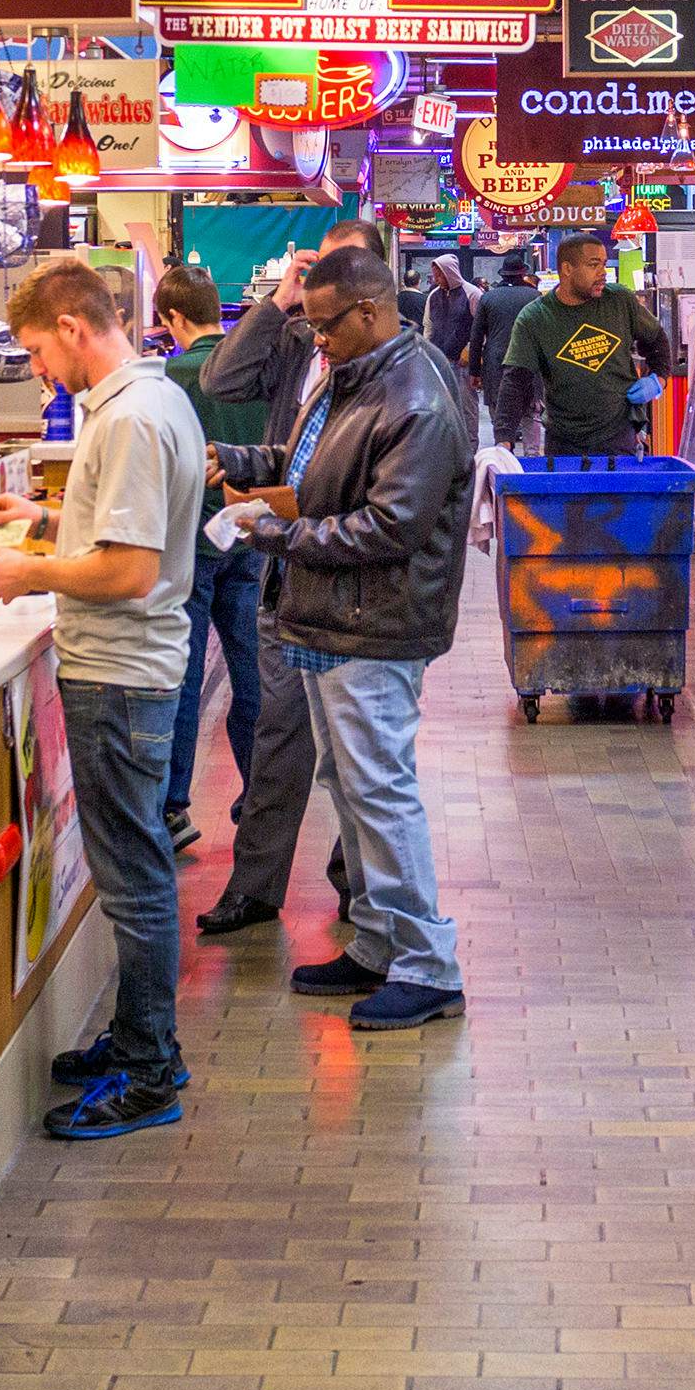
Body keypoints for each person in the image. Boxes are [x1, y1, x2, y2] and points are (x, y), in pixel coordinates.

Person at [0, 255, 209, 1141]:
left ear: (72, 327)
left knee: (137, 882)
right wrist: (41, 522)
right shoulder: (144, 399)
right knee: (132, 872)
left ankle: (151, 1073)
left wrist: (31, 568)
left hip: (123, 671)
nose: (38, 368)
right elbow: (115, 532)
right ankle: (139, 1039)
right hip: (124, 670)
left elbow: (131, 570)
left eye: (36, 350)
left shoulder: (132, 417)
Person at [211, 243, 477, 1030]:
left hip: (376, 623)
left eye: (325, 324)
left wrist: (273, 534)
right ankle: (377, 941)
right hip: (333, 618)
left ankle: (426, 965)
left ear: (371, 311)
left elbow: (390, 527)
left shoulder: (418, 398)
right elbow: (304, 467)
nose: (315, 339)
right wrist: (225, 459)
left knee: (380, 789)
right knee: (352, 788)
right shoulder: (354, 380)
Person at [195, 223, 383, 939]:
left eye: (338, 268)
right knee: (280, 734)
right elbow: (221, 378)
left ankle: (355, 886)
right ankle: (257, 885)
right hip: (286, 573)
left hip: (351, 588)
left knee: (354, 750)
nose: (322, 280)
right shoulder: (298, 337)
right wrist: (279, 302)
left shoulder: (395, 370)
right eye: (316, 264)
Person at [155, 264, 263, 857]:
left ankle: (173, 806)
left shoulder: (172, 374)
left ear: (172, 317)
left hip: (192, 542)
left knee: (185, 675)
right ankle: (262, 795)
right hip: (249, 536)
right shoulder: (253, 369)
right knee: (252, 673)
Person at [494, 230, 677, 459]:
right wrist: (504, 441)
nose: (603, 273)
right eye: (593, 265)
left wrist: (659, 379)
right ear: (567, 269)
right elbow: (516, 381)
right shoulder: (535, 318)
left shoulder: (620, 301)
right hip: (563, 442)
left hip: (620, 438)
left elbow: (657, 338)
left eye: (603, 264)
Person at [469, 248, 540, 388]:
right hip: (528, 363)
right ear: (523, 274)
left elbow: (476, 337)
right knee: (528, 407)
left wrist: (474, 371)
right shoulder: (535, 297)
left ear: (503, 275)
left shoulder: (488, 298)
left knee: (497, 406)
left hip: (495, 363)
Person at [421, 252, 484, 384]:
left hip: (463, 362)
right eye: (434, 275)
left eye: (439, 275)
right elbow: (428, 325)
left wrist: (468, 351)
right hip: (438, 361)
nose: (436, 279)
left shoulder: (473, 294)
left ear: (450, 272)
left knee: (466, 403)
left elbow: (482, 328)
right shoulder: (433, 295)